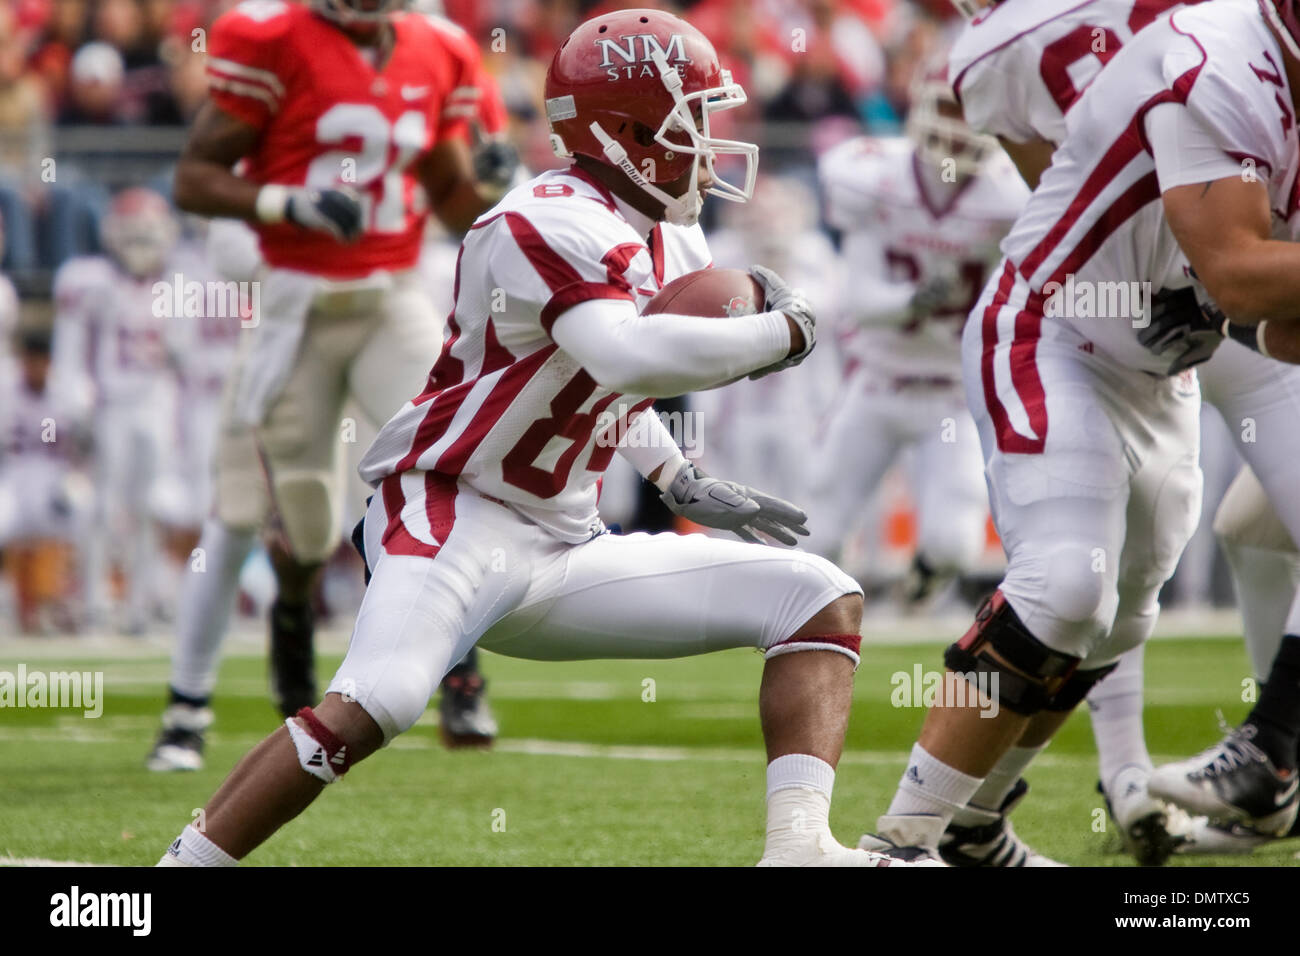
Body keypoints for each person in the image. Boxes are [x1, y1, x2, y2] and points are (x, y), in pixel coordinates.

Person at [156, 8, 927, 868]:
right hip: (453, 510)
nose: (711, 143)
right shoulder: (542, 219)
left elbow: (604, 382)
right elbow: (624, 350)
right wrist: (784, 333)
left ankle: (800, 851)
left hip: (562, 537)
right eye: (692, 120)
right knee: (379, 700)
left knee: (817, 595)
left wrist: (675, 476)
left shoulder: (670, 228)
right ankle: (176, 872)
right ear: (624, 133)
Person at [862, 0, 1300, 864]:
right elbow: (1243, 276)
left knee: (1119, 618)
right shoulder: (1218, 54)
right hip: (1053, 328)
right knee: (1065, 586)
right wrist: (1203, 286)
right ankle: (900, 844)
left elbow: (1279, 325)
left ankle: (973, 824)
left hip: (1171, 356)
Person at [145, 0, 513, 769]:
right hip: (294, 308)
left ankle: (462, 673)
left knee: (451, 466)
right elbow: (194, 178)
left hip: (388, 296)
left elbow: (450, 201)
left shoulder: (438, 48)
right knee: (298, 521)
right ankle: (277, 626)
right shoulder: (272, 39)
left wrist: (492, 191)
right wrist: (287, 203)